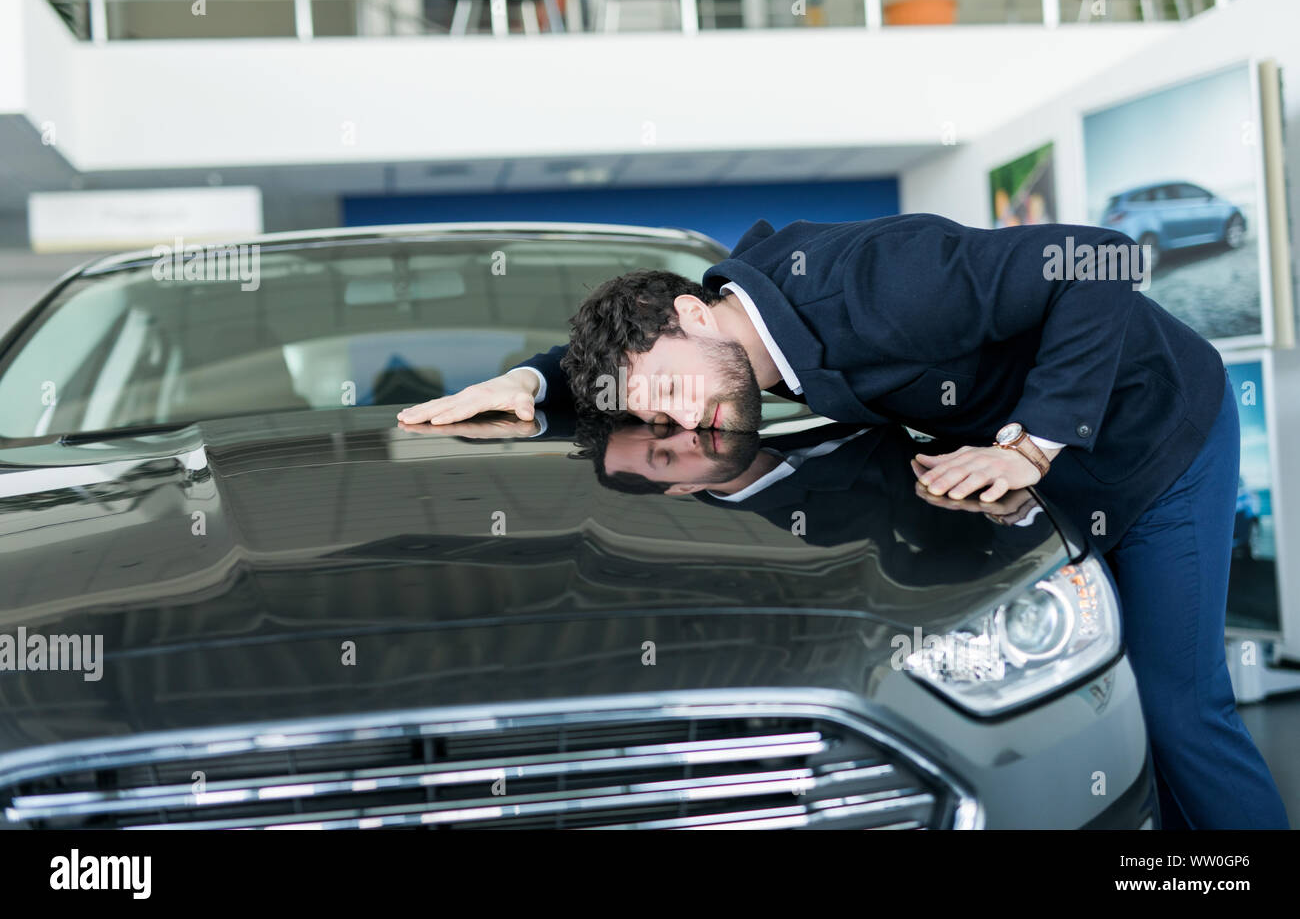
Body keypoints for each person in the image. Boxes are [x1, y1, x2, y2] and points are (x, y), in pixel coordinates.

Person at [397, 212, 1290, 829]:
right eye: (658, 418)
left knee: (1177, 703)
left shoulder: (877, 283)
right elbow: (623, 361)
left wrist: (1030, 444)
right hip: (1061, 469)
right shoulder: (723, 332)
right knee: (1118, 691)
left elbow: (1096, 258)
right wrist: (528, 381)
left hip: (1159, 428)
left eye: (672, 396)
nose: (683, 422)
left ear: (694, 313)